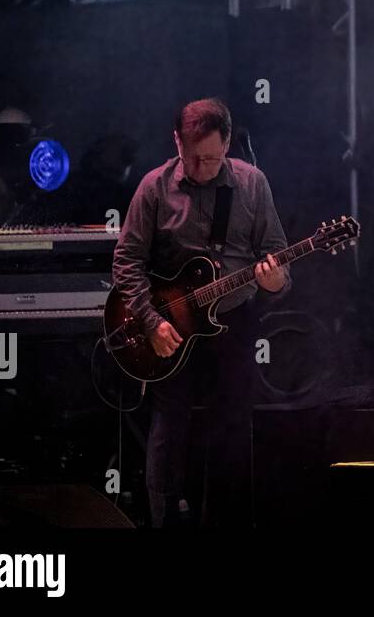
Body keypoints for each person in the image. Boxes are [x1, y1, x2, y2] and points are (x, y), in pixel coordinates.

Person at [112, 98, 290, 525]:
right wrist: (152, 322)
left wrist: (275, 280)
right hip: (170, 325)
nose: (200, 169)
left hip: (233, 321)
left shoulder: (252, 184)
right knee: (169, 429)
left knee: (232, 430)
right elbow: (126, 260)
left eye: (212, 159)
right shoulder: (154, 187)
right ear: (176, 140)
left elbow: (276, 256)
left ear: (228, 143)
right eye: (191, 158)